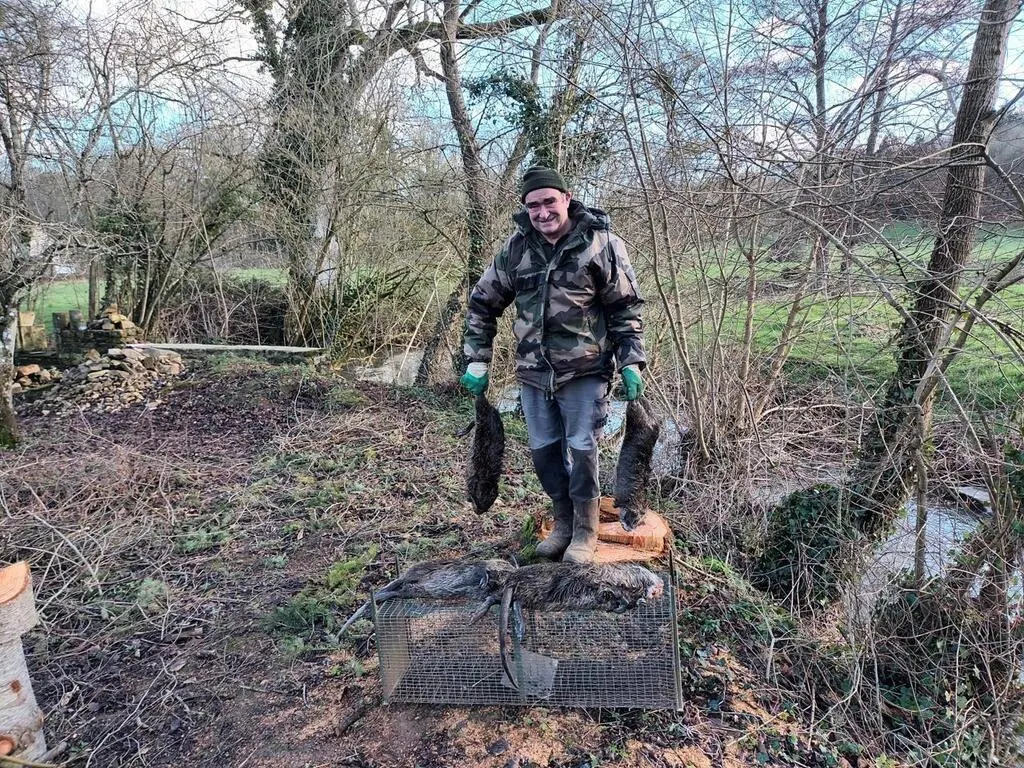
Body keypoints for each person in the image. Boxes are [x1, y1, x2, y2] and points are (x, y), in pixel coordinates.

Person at [460, 165, 646, 563]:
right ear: (525, 208)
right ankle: (562, 522)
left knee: (582, 451)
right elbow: (482, 304)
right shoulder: (516, 249)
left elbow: (624, 308)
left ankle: (585, 530)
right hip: (533, 373)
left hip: (586, 371)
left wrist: (631, 361)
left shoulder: (600, 243)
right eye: (533, 205)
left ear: (566, 198)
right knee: (544, 453)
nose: (542, 212)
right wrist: (477, 360)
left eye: (549, 201)